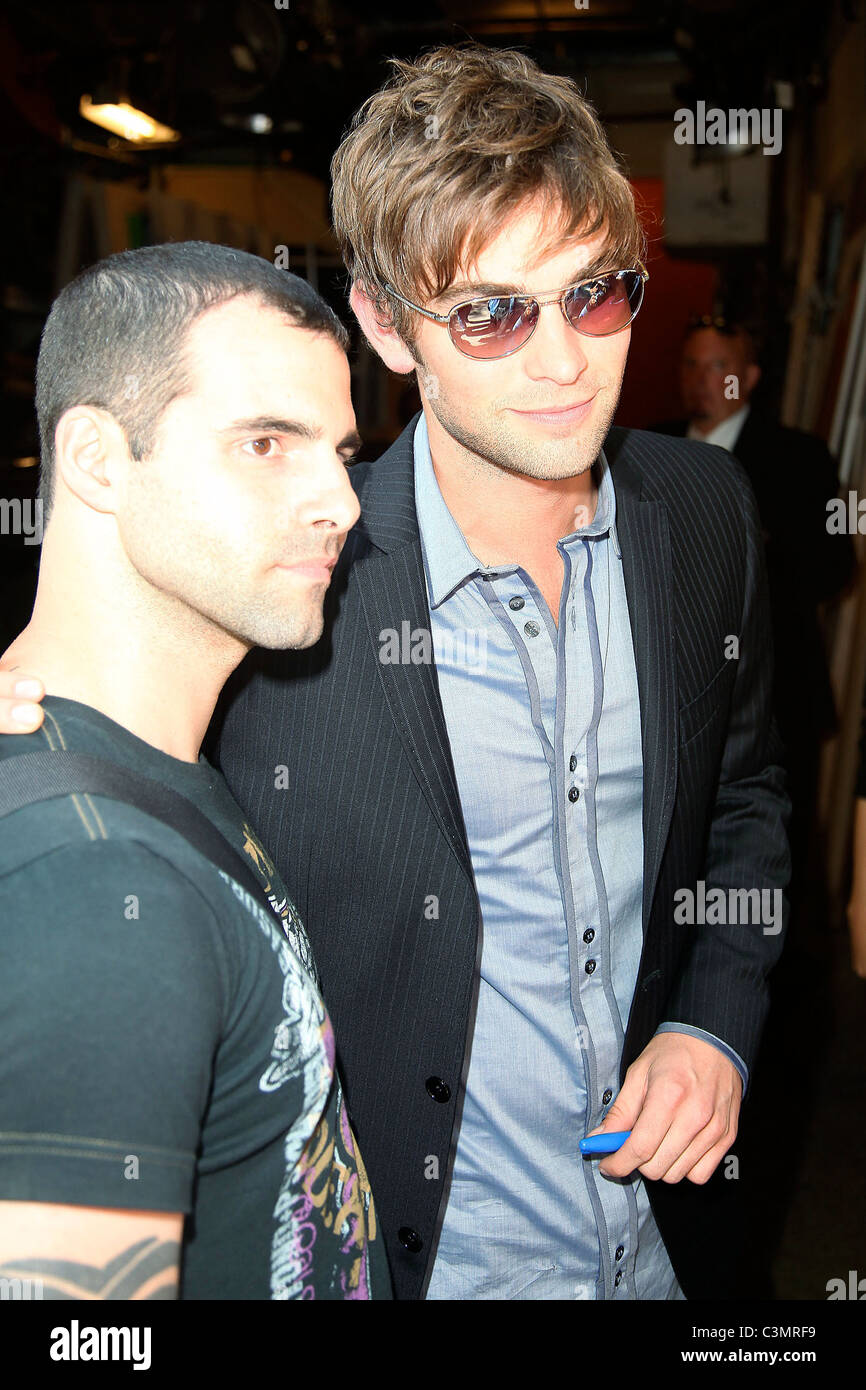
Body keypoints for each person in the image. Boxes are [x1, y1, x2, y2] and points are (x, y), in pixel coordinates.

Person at [1, 44, 790, 1301]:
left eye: (596, 295)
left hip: (661, 1260)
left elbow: (745, 803)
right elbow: (99, 627)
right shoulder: (289, 570)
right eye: (489, 311)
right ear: (383, 323)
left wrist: (710, 1024)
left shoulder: (702, 511)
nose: (562, 361)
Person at [0, 241, 391, 1301]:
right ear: (94, 458)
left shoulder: (156, 771)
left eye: (341, 450)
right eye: (268, 442)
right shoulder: (88, 885)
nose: (341, 503)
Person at [652, 320, 855, 900]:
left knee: (770, 862)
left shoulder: (798, 459)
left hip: (775, 698)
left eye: (719, 366)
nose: (702, 380)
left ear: (751, 377)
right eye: (691, 365)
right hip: (669, 696)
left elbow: (833, 569)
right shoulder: (647, 448)